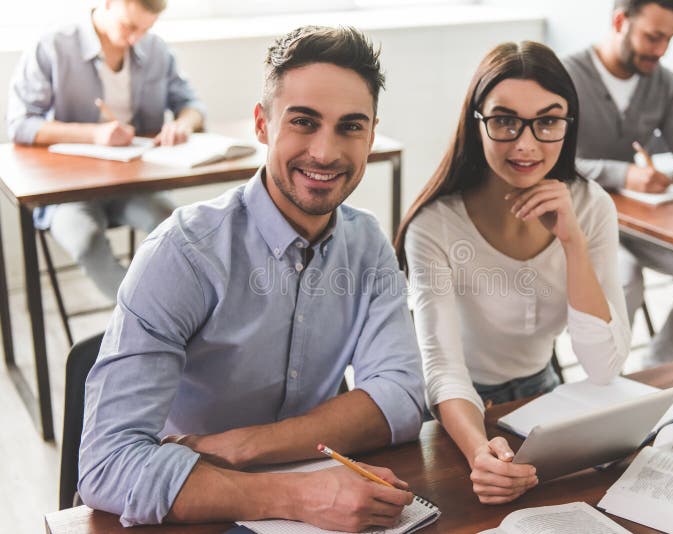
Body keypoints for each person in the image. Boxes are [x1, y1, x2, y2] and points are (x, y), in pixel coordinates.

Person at [78, 25, 425, 531]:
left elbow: (400, 396)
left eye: (350, 126)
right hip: (191, 504)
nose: (326, 153)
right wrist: (296, 495)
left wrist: (242, 446)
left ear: (371, 134)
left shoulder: (367, 242)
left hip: (286, 483)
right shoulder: (183, 254)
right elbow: (106, 466)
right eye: (304, 122)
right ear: (262, 125)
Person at [395, 41, 630, 505]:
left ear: (568, 124)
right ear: (476, 122)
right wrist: (480, 451)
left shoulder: (591, 206)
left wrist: (573, 244)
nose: (525, 144)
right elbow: (442, 367)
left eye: (547, 121)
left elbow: (605, 367)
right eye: (504, 121)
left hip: (543, 394)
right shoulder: (435, 224)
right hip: (455, 408)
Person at [562, 0, 673, 365]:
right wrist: (621, 173)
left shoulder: (664, 82)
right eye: (653, 37)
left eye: (669, 39)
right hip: (576, 216)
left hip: (637, 221)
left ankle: (654, 371)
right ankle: (602, 379)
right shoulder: (563, 76)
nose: (661, 50)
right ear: (621, 21)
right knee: (623, 277)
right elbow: (554, 163)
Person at [7, 0, 205, 301]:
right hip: (69, 189)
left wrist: (183, 124)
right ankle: (143, 314)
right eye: (129, 26)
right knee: (86, 240)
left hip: (135, 183)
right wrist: (94, 135)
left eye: (146, 29)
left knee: (174, 227)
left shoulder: (155, 50)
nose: (135, 38)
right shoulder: (53, 46)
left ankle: (165, 315)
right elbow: (20, 124)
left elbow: (192, 105)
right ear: (109, 3)